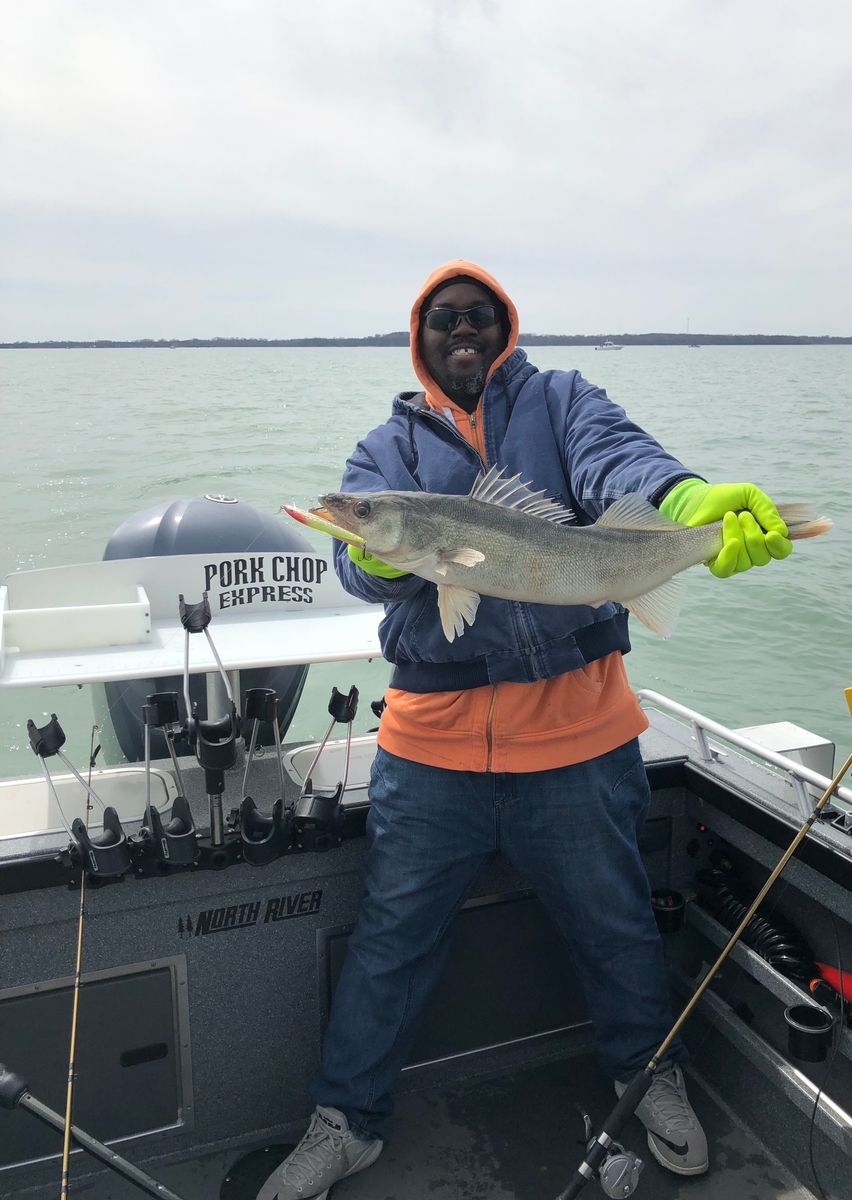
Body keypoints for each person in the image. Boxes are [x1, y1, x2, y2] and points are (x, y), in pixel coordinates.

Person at [257, 260, 794, 1200]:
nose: (460, 330)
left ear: (502, 327)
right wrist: (382, 554)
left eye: (478, 315)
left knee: (618, 925)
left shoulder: (561, 401)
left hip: (580, 736)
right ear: (418, 339)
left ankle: (644, 1078)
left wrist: (684, 504)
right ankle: (346, 1121)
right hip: (432, 749)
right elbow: (358, 560)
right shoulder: (386, 451)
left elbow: (619, 462)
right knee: (390, 941)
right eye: (440, 319)